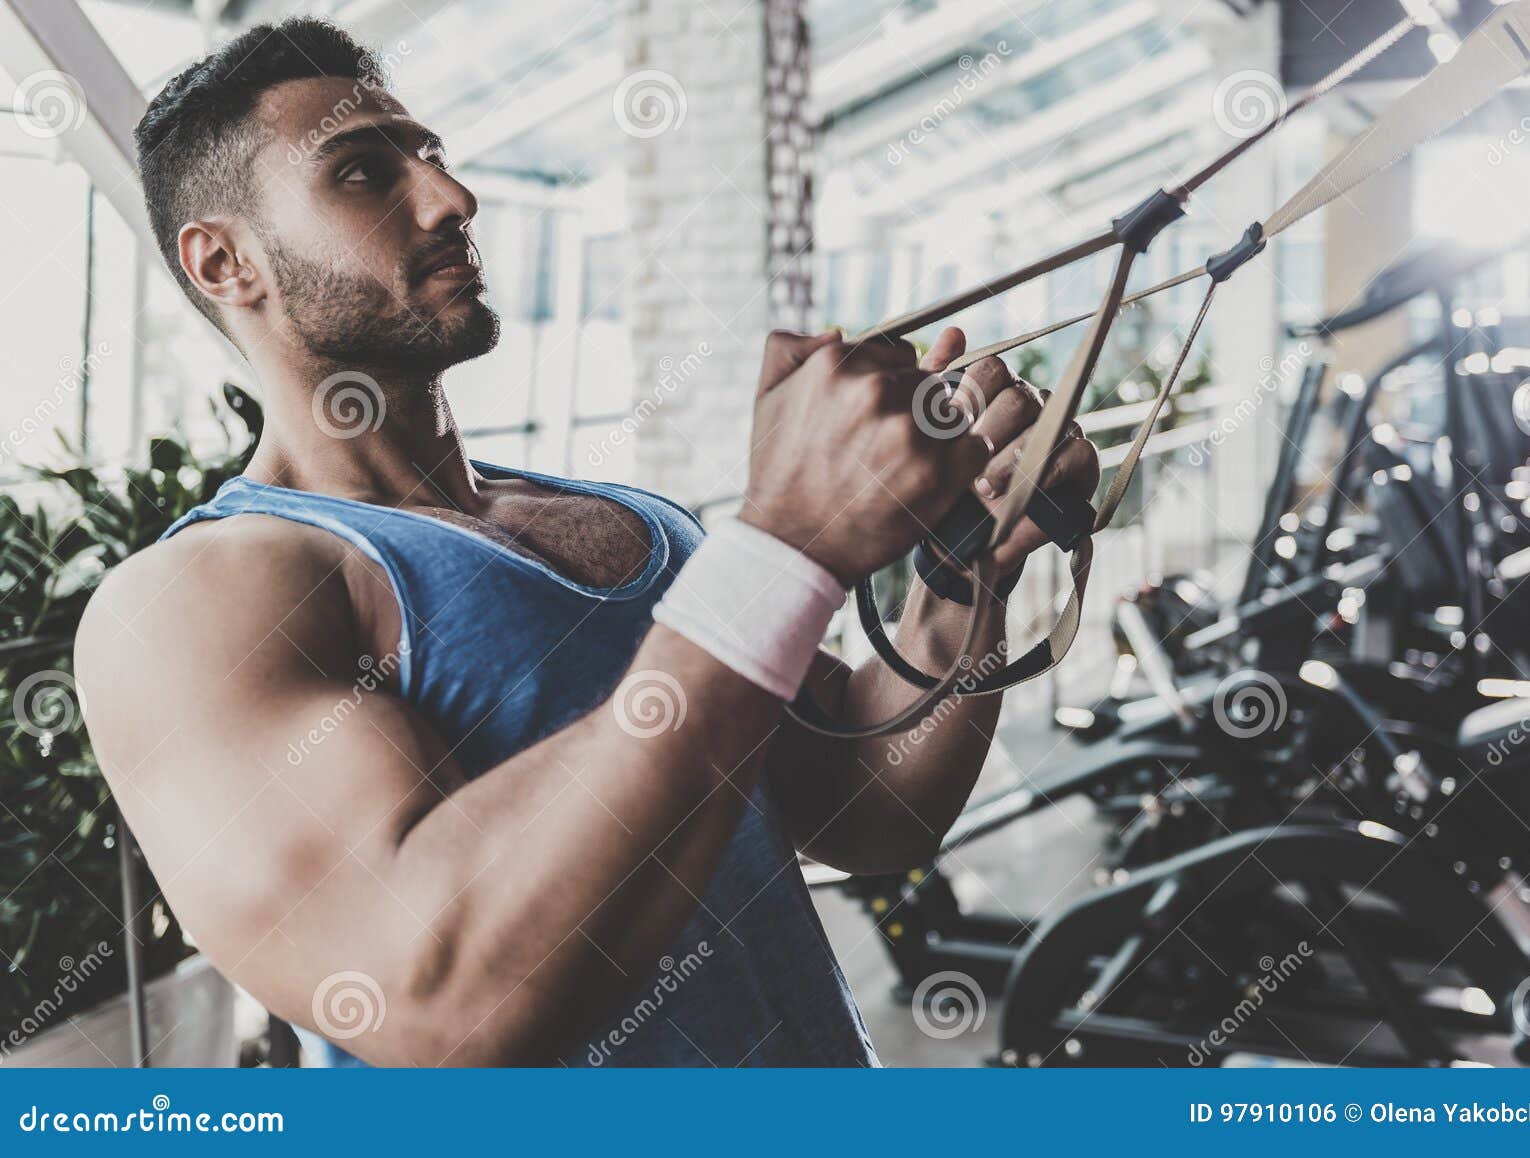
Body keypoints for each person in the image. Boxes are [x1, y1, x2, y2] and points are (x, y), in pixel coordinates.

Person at [74, 17, 1097, 1067]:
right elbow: (434, 993)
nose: (449, 199)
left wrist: (968, 564)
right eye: (360, 172)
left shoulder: (631, 526)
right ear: (224, 261)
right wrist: (784, 546)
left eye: (430, 156)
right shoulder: (202, 601)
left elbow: (869, 810)